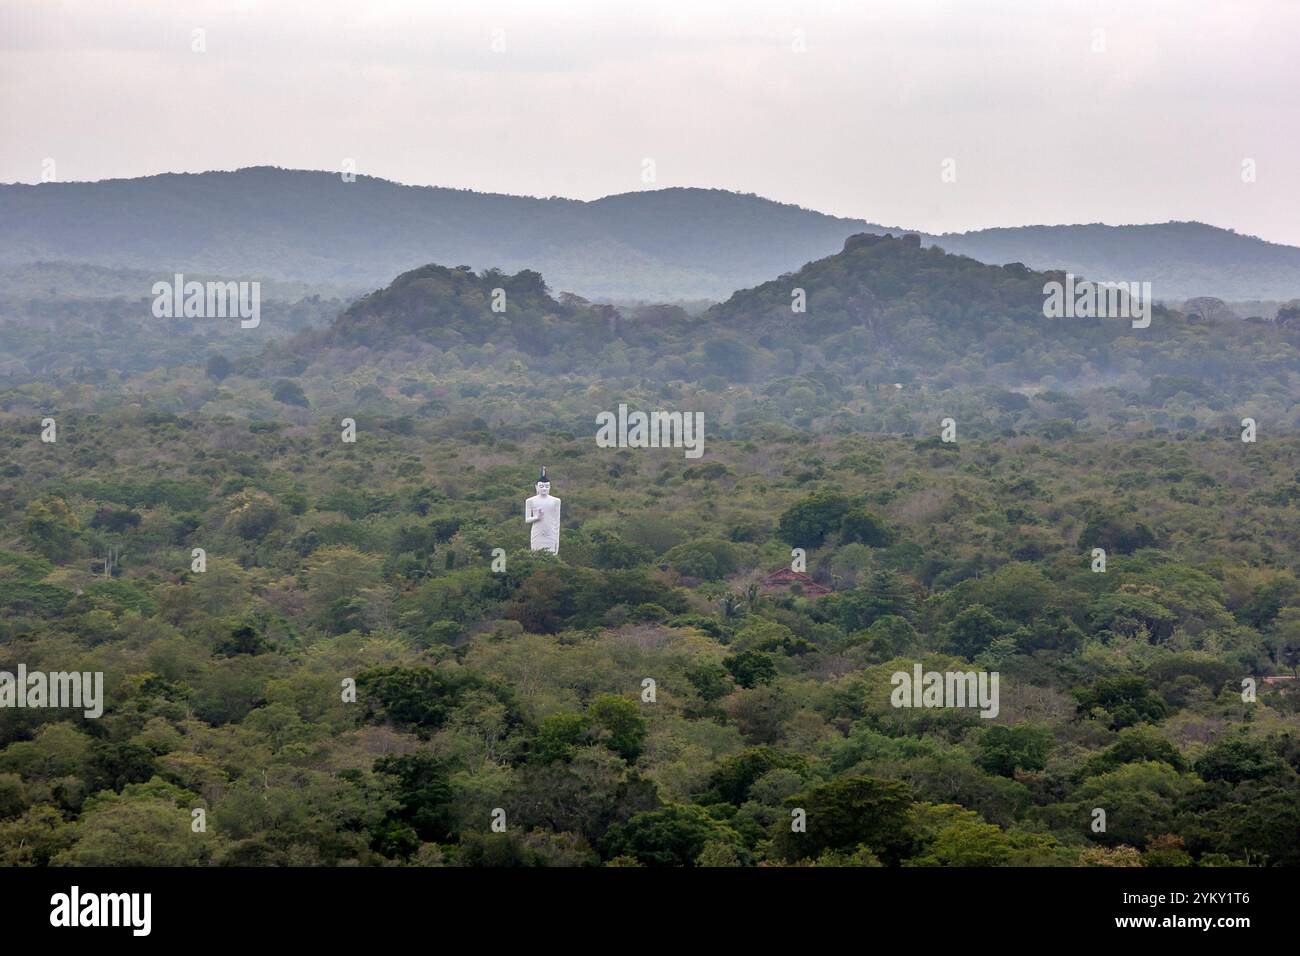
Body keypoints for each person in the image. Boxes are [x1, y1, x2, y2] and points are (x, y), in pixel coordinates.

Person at [524, 467, 561, 554]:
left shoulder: (556, 501)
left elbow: (557, 522)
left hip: (550, 532)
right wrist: (536, 517)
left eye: (547, 486)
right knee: (536, 555)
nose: (544, 489)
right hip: (537, 532)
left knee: (551, 555)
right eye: (541, 486)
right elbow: (527, 519)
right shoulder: (530, 501)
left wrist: (557, 540)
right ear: (536, 487)